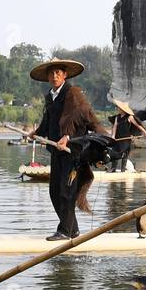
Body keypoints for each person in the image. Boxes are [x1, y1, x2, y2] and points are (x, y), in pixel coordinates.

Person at [25, 59, 110, 241]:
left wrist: (69, 137)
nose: (54, 76)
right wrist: (37, 133)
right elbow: (48, 121)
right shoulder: (51, 96)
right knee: (54, 192)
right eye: (51, 73)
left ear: (65, 75)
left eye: (58, 72)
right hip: (57, 151)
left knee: (67, 191)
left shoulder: (73, 94)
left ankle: (64, 231)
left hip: (73, 152)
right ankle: (74, 230)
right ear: (48, 77)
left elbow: (84, 116)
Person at [108, 99, 146, 172]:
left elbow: (138, 125)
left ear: (123, 109)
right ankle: (113, 168)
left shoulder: (129, 117)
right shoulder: (117, 117)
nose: (118, 109)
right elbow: (115, 126)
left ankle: (123, 169)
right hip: (117, 138)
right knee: (114, 152)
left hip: (126, 138)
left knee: (124, 154)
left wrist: (145, 132)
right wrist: (113, 136)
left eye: (119, 108)